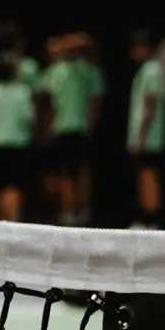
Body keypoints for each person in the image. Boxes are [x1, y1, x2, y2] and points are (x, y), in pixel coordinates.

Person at [39, 30, 105, 225]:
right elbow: (46, 99)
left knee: (78, 171)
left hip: (77, 128)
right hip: (61, 128)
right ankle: (69, 210)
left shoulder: (88, 70)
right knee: (65, 173)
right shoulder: (56, 71)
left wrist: (91, 124)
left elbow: (96, 101)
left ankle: (78, 211)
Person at [0, 50, 37, 222]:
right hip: (18, 146)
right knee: (13, 187)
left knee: (0, 187)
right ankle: (12, 223)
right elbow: (29, 121)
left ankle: (2, 222)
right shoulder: (22, 93)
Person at [125, 28, 165, 227]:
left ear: (146, 48)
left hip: (150, 137)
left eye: (137, 47)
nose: (133, 52)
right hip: (145, 136)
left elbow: (150, 104)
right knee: (144, 176)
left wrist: (141, 136)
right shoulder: (146, 69)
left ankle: (151, 219)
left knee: (148, 176)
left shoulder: (152, 69)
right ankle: (146, 216)